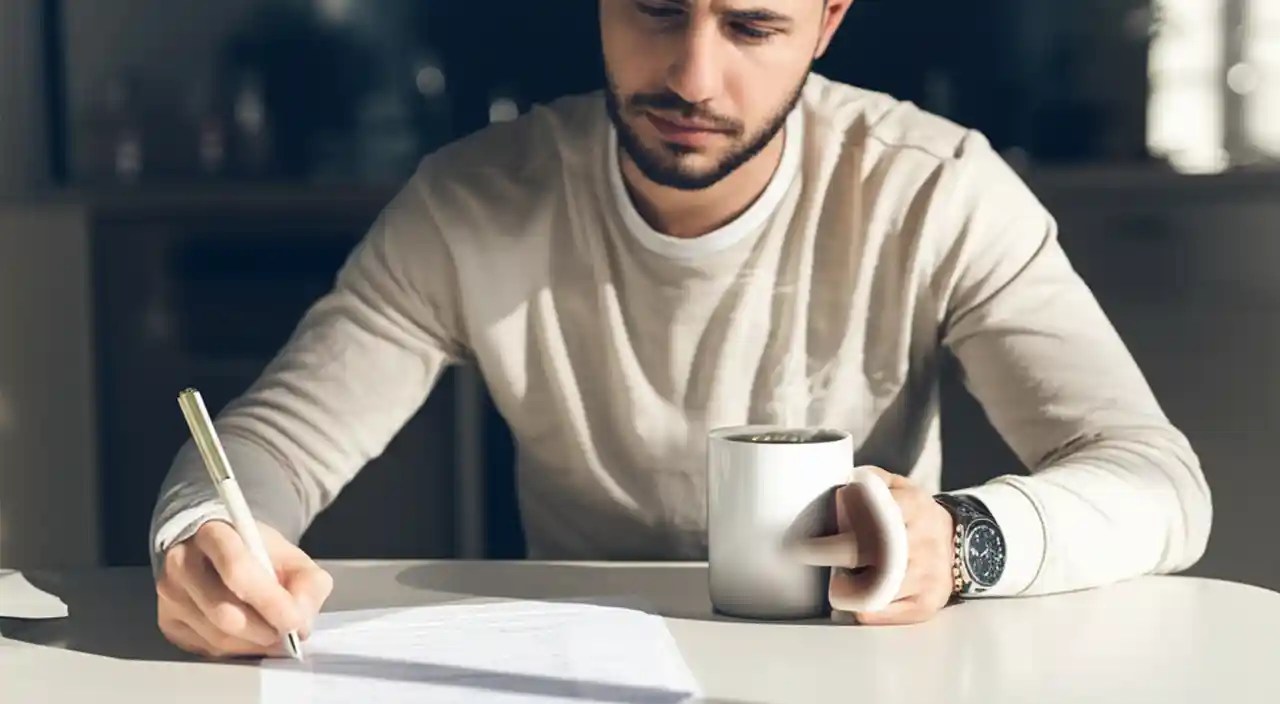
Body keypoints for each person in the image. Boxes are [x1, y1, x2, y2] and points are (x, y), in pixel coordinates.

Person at [149, 0, 1212, 658]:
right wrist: (202, 538)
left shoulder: (935, 191)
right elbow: (270, 447)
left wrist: (965, 540)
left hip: (861, 675)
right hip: (570, 678)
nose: (693, 78)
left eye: (750, 26)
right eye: (656, 9)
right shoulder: (470, 204)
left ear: (828, 21)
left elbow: (1157, 482)